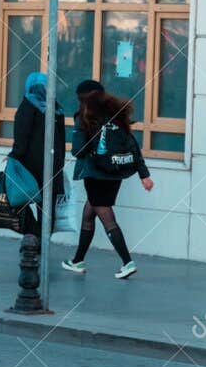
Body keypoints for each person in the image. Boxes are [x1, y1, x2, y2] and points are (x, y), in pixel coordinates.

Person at [62, 79, 154, 279]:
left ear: (82, 99)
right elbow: (132, 145)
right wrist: (144, 174)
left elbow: (78, 151)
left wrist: (85, 139)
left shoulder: (85, 118)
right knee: (89, 213)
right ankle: (78, 260)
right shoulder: (116, 114)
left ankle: (127, 262)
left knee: (106, 217)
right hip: (115, 172)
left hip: (95, 175)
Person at [9, 71, 67, 238]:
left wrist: (14, 156)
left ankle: (34, 237)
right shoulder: (56, 108)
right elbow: (61, 141)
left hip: (31, 167)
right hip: (52, 166)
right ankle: (42, 241)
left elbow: (22, 136)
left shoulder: (27, 106)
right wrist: (59, 164)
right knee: (47, 209)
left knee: (18, 201)